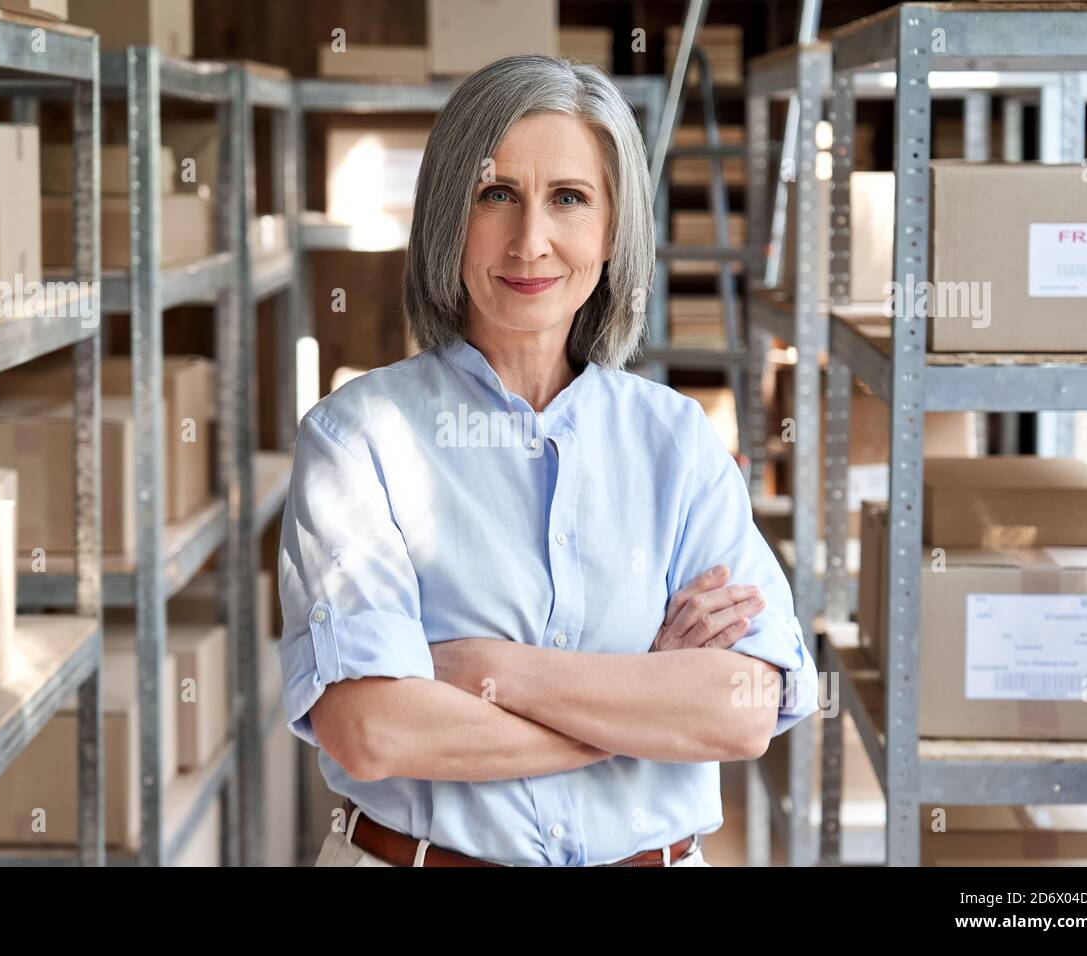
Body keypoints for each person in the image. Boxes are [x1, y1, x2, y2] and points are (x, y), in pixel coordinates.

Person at [279, 54, 819, 868]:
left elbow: (743, 708)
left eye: (569, 198)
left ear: (611, 231)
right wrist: (641, 703)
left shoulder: (676, 442)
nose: (530, 241)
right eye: (496, 194)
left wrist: (491, 672)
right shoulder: (358, 439)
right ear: (446, 219)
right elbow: (373, 730)